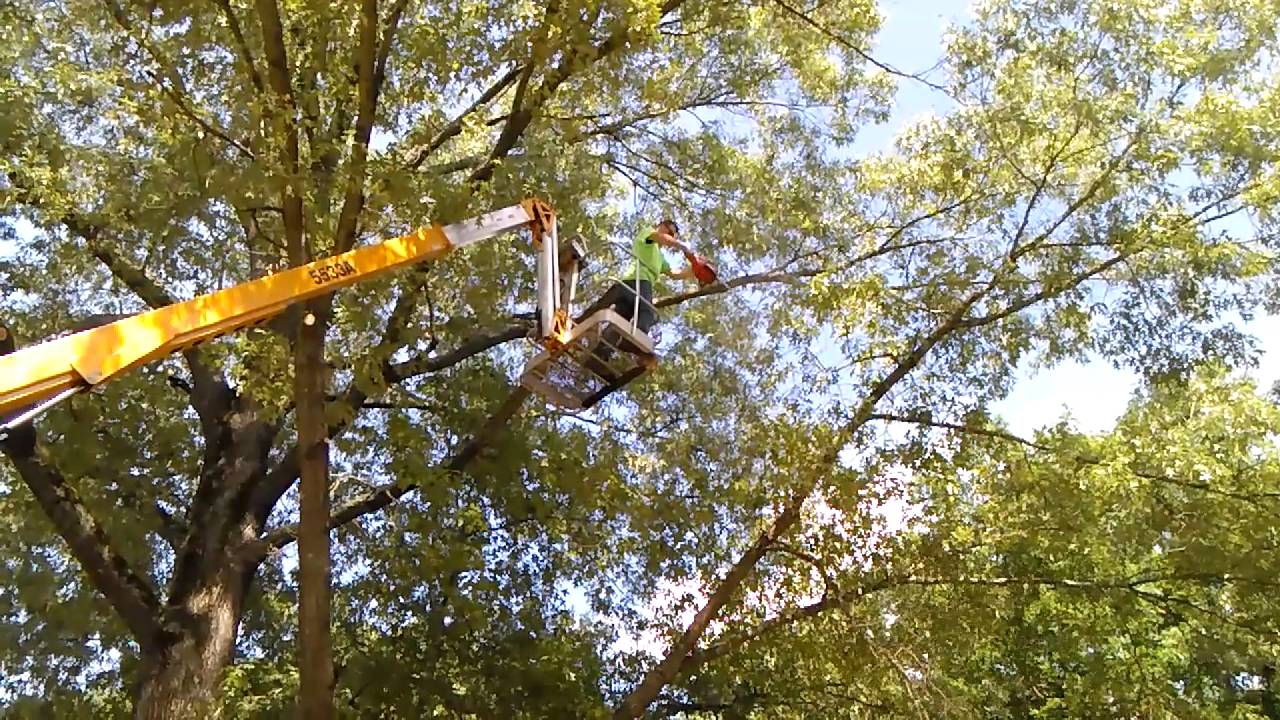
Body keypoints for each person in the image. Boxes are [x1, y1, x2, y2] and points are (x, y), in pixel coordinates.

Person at [586, 218, 698, 363]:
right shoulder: (648, 234)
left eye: (672, 234)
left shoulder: (660, 257)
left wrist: (695, 271)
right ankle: (633, 341)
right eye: (669, 231)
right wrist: (683, 246)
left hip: (636, 287)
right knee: (647, 313)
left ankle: (598, 357)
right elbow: (661, 238)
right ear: (660, 226)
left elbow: (674, 274)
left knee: (619, 321)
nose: (670, 236)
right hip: (637, 280)